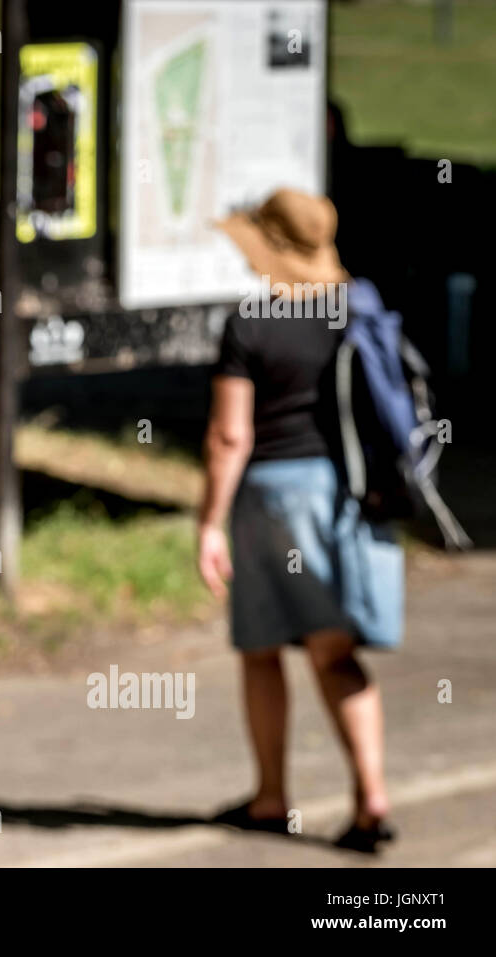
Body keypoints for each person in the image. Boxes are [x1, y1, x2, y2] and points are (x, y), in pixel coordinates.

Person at [198, 188, 402, 853]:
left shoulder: (252, 323)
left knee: (261, 648)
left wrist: (209, 522)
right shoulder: (358, 311)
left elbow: (232, 437)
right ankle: (371, 796)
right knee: (335, 650)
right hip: (349, 493)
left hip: (275, 497)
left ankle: (271, 796)